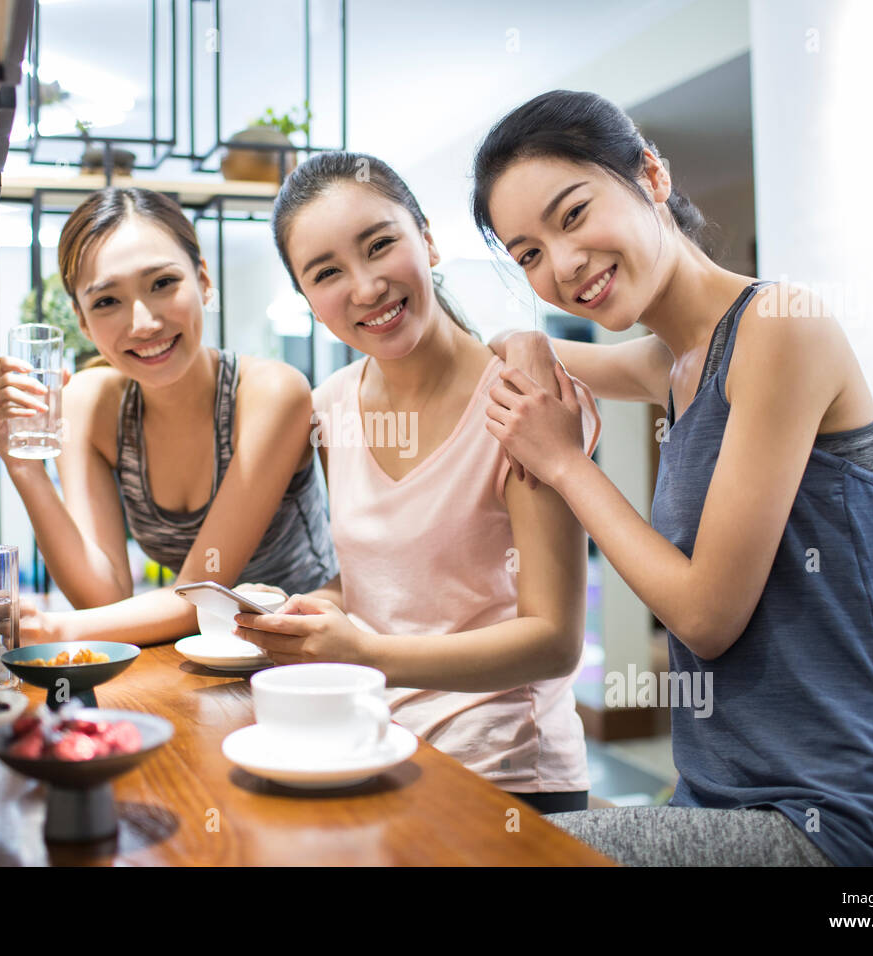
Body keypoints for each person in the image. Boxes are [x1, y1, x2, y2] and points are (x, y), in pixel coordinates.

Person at [472, 89, 873, 865]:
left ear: (651, 176)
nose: (563, 266)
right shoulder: (667, 364)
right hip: (718, 799)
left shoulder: (781, 327)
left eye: (573, 214)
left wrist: (566, 463)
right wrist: (524, 343)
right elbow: (501, 345)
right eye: (529, 255)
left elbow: (706, 617)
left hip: (846, 825)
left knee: (497, 854)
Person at [232, 151, 601, 812]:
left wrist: (371, 653)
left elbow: (554, 639)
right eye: (327, 273)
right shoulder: (329, 410)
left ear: (426, 238)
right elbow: (391, 581)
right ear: (309, 301)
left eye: (381, 245)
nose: (367, 286)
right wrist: (323, 609)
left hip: (508, 779)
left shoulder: (524, 401)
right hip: (371, 748)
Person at [0, 187, 337, 645]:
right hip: (193, 661)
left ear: (204, 280)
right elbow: (104, 598)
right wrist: (21, 462)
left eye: (163, 283)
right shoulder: (89, 404)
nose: (143, 322)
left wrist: (56, 628)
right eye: (108, 301)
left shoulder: (272, 393)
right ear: (83, 321)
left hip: (305, 654)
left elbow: (208, 594)